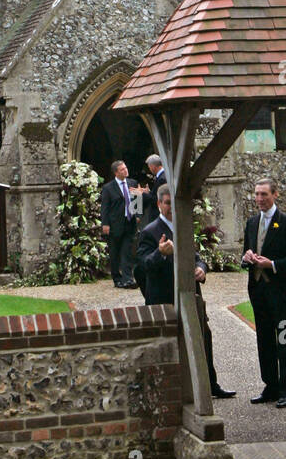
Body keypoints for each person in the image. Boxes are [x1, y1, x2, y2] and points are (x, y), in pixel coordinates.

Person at [136, 185, 236, 400]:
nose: (171, 208)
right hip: (164, 297)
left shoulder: (184, 226)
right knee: (169, 344)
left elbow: (196, 256)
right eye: (167, 203)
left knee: (203, 337)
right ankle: (171, 391)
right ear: (159, 204)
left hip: (191, 295)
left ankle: (211, 384)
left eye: (174, 203)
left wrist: (202, 268)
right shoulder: (149, 232)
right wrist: (159, 253)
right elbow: (143, 266)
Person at [242, 177, 286, 408]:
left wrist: (273, 265)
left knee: (285, 340)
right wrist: (247, 258)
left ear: (275, 194)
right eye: (257, 194)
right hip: (259, 293)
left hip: (282, 295)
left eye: (264, 195)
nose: (259, 199)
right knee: (265, 341)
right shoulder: (251, 223)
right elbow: (245, 254)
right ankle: (270, 386)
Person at [100, 159, 139, 288]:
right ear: (116, 173)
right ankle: (117, 278)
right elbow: (105, 207)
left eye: (126, 168)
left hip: (129, 223)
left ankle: (128, 278)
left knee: (127, 251)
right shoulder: (108, 188)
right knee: (115, 252)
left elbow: (137, 200)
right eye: (122, 169)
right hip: (115, 224)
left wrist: (138, 215)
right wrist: (105, 224)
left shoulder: (132, 183)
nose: (125, 170)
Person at [140, 154, 166, 226]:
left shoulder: (162, 179)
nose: (149, 169)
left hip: (158, 214)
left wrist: (142, 193)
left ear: (153, 166)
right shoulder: (163, 176)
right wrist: (148, 192)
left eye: (149, 166)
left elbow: (156, 199)